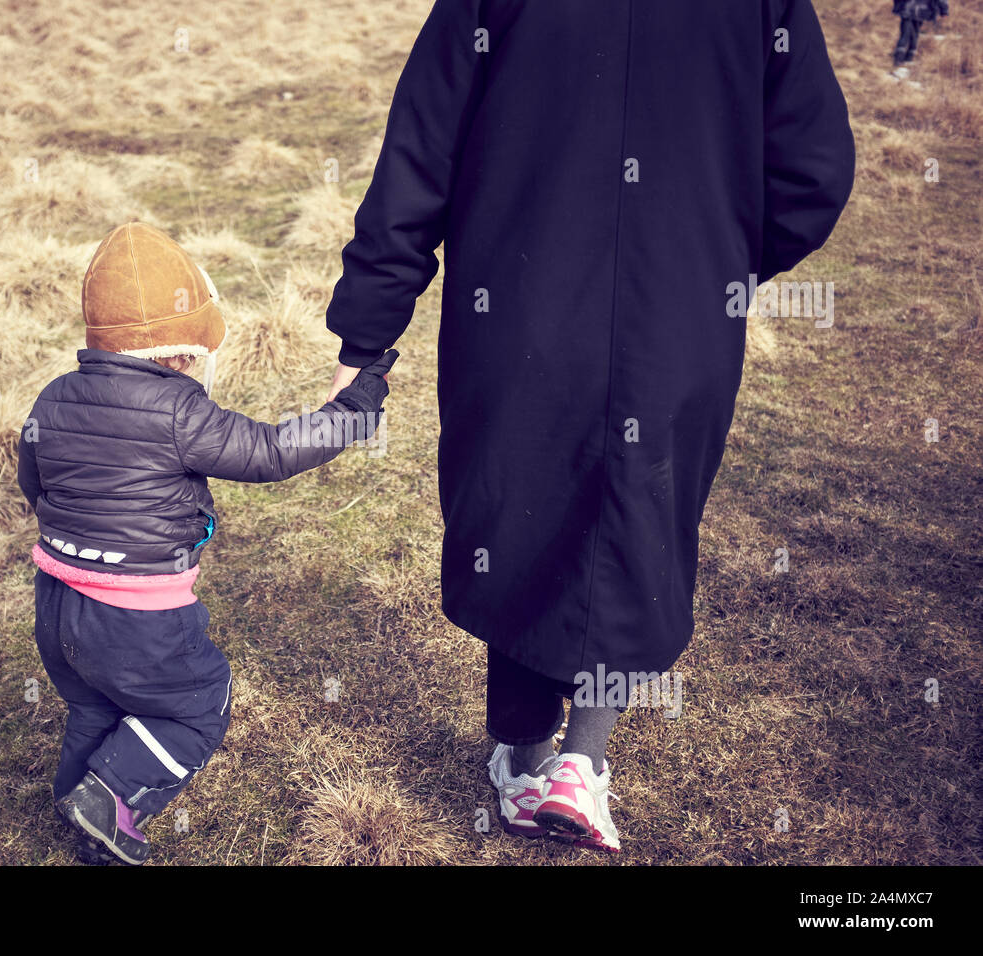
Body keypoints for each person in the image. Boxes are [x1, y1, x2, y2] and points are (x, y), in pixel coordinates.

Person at [323, 0, 854, 852]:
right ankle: (582, 764)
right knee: (639, 521)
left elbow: (419, 155)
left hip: (517, 311)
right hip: (679, 321)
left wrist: (368, 330)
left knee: (516, 509)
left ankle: (528, 759)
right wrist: (713, 252)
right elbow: (816, 170)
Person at [19, 221, 397, 864]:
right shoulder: (177, 410)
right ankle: (107, 797)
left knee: (93, 705)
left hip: (55, 602)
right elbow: (272, 452)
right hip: (138, 617)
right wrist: (350, 413)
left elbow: (35, 483)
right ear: (186, 350)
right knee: (197, 703)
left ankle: (78, 812)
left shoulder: (53, 397)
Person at [892, 0, 949, 71]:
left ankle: (899, 59)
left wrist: (898, 5)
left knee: (905, 34)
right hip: (922, 10)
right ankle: (908, 58)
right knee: (914, 33)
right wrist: (944, 10)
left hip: (907, 7)